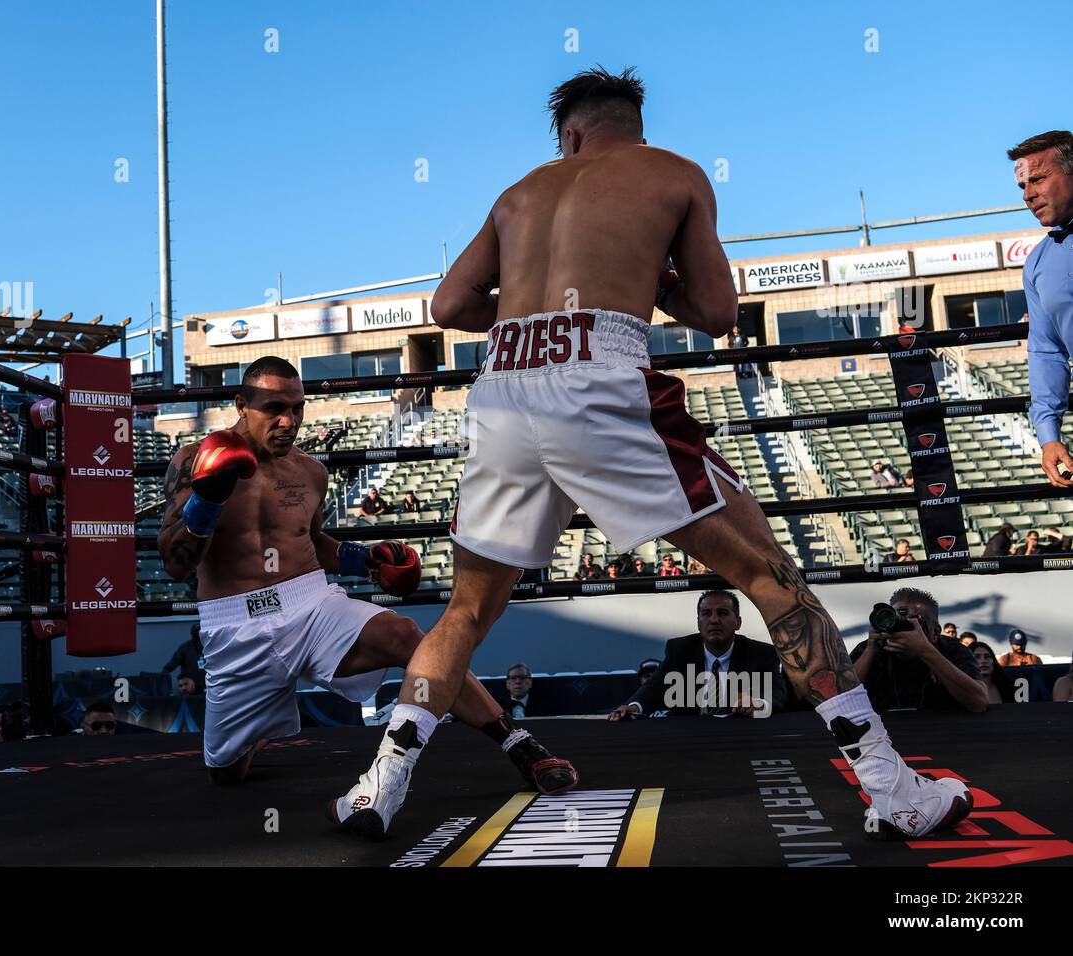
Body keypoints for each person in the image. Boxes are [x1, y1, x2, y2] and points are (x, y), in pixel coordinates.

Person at [332, 67, 973, 840]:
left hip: (502, 386)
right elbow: (717, 312)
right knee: (768, 577)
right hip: (600, 379)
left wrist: (536, 304)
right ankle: (892, 788)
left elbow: (448, 306)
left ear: (567, 134)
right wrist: (650, 277)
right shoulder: (673, 173)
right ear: (634, 124)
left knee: (467, 610)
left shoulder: (519, 192)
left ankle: (378, 787)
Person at [156, 356, 575, 814]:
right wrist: (207, 498)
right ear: (240, 404)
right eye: (274, 408)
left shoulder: (310, 472)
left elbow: (310, 540)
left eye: (297, 408)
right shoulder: (194, 460)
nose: (288, 421)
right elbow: (176, 563)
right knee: (226, 773)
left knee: (405, 636)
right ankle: (254, 732)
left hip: (309, 602)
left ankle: (517, 741)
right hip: (236, 622)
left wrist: (367, 560)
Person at [1008, 131, 1073, 488]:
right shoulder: (1036, 264)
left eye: (1038, 179)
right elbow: (1047, 351)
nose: (1027, 195)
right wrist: (1048, 434)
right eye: (1022, 186)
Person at [607, 591, 785, 719]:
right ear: (699, 623)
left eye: (722, 613)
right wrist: (634, 706)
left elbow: (777, 693)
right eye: (706, 613)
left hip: (742, 736)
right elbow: (654, 687)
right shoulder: (679, 650)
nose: (714, 620)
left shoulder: (762, 653)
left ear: (737, 622)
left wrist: (760, 703)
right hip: (688, 737)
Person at [849, 587, 988, 713]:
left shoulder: (952, 650)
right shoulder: (871, 648)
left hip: (943, 732)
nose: (901, 630)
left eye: (913, 623)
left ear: (935, 632)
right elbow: (839, 701)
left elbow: (979, 702)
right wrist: (870, 651)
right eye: (896, 621)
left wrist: (927, 652)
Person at [162, 623, 206, 694]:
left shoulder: (209, 647)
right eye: (196, 632)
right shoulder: (185, 648)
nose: (198, 635)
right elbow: (172, 663)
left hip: (208, 687)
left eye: (200, 632)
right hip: (190, 688)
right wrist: (165, 672)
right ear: (192, 634)